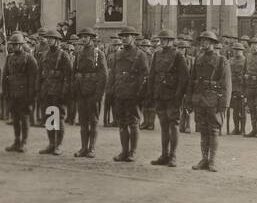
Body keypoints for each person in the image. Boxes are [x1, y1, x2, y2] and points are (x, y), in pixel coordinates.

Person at [187, 30, 231, 171]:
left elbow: (226, 85)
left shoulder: (221, 60)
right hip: (199, 98)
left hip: (213, 99)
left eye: (206, 41)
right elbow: (191, 81)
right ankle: (204, 159)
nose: (203, 43)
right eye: (202, 41)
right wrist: (189, 99)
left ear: (213, 44)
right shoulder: (198, 59)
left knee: (213, 130)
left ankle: (212, 161)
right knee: (203, 130)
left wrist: (224, 104)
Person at [148, 29, 188, 167]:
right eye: (162, 39)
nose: (163, 42)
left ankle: (173, 156)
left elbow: (183, 79)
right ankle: (164, 155)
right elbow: (152, 75)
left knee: (173, 125)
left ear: (171, 41)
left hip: (172, 96)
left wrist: (178, 96)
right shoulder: (156, 54)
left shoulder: (178, 56)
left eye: (166, 39)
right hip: (159, 94)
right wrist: (151, 93)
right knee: (164, 126)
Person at [109, 26, 149, 163]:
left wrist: (139, 94)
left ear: (133, 37)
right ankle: (124, 151)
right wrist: (111, 91)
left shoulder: (140, 55)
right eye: (123, 36)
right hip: (120, 93)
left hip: (133, 95)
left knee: (133, 123)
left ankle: (133, 152)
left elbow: (144, 76)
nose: (124, 38)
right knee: (121, 123)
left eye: (127, 36)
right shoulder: (117, 55)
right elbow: (113, 74)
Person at [71, 28, 106, 158]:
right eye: (82, 36)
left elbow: (103, 75)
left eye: (86, 36)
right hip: (81, 91)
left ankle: (92, 148)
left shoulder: (98, 54)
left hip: (93, 91)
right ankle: (83, 148)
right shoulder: (79, 53)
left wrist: (98, 94)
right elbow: (74, 72)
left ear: (91, 38)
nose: (84, 39)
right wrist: (75, 89)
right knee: (83, 121)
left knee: (93, 121)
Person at [35, 29, 72, 155]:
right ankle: (51, 144)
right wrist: (39, 89)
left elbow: (68, 77)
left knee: (59, 118)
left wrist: (64, 93)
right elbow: (40, 74)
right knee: (49, 118)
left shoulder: (63, 56)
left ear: (57, 41)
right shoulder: (44, 55)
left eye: (52, 38)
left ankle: (58, 145)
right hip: (46, 90)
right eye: (48, 38)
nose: (49, 40)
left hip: (58, 91)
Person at [1, 32, 38, 153]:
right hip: (12, 93)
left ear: (21, 45)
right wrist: (5, 92)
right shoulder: (9, 57)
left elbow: (33, 78)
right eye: (13, 44)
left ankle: (24, 142)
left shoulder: (29, 58)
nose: (14, 46)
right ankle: (16, 141)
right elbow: (5, 75)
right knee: (15, 118)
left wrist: (31, 95)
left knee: (24, 118)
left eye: (16, 44)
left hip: (24, 94)